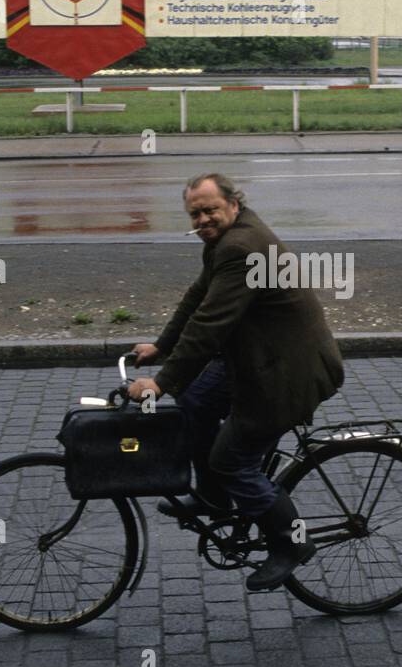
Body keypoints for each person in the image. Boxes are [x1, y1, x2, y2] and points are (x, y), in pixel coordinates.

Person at [127, 172, 344, 592]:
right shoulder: (224, 241)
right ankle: (214, 498)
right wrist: (160, 347)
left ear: (233, 204)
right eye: (196, 213)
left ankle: (290, 543)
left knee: (232, 460)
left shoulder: (242, 247)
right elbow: (198, 298)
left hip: (286, 373)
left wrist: (160, 382)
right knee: (194, 403)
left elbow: (210, 326)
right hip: (258, 357)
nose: (204, 218)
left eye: (211, 209)